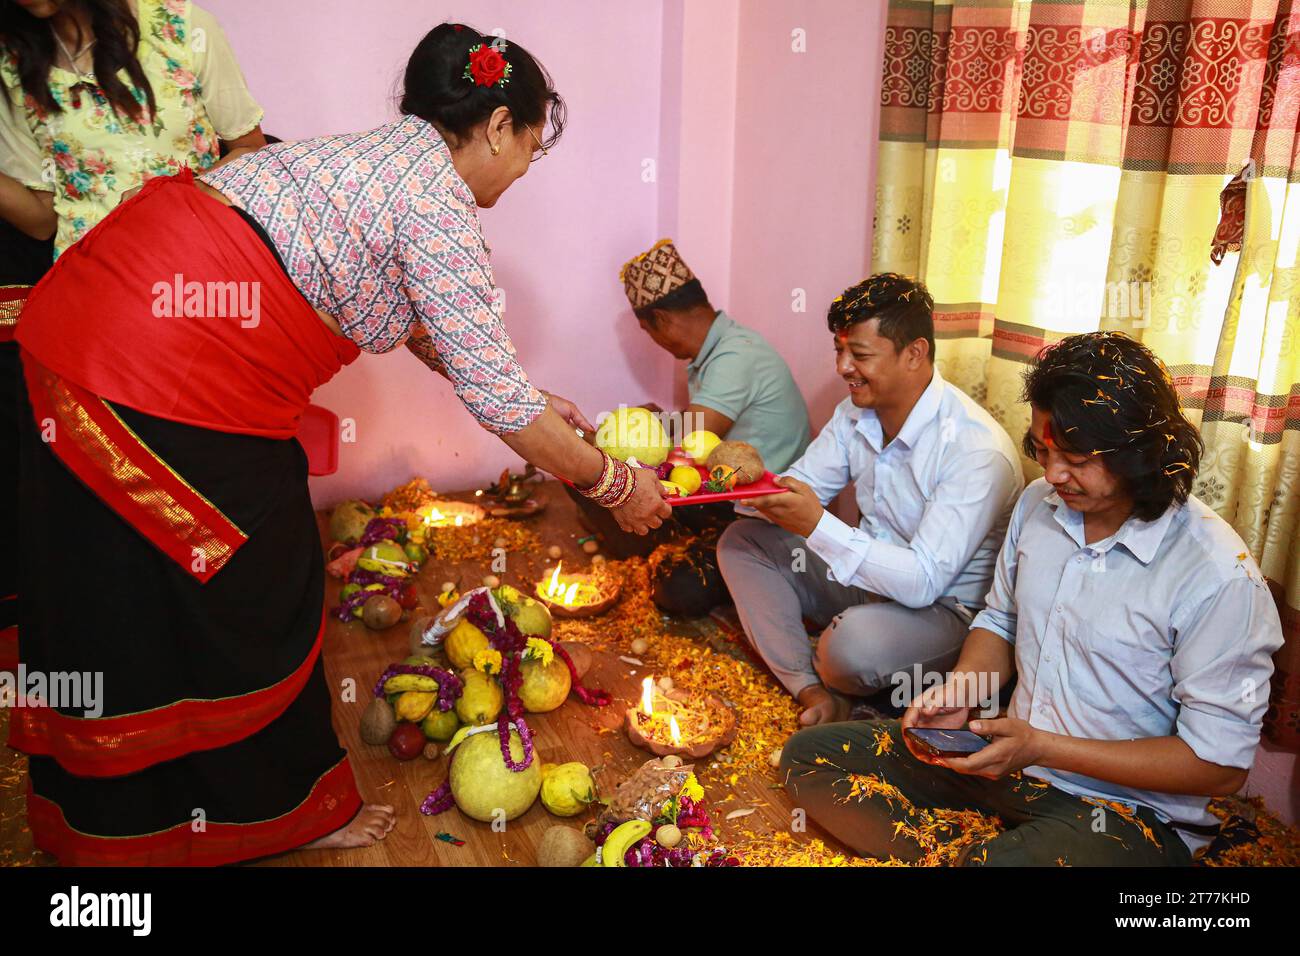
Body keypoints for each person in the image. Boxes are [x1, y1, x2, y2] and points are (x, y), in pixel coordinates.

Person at [10, 22, 670, 866]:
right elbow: (496, 401)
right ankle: (269, 814)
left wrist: (536, 399)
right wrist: (617, 484)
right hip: (147, 362)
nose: (524, 169)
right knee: (261, 581)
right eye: (531, 147)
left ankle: (141, 820)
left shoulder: (384, 159)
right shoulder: (435, 203)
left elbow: (444, 342)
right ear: (500, 125)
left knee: (142, 590)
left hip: (98, 319)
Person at [781, 332, 1285, 866]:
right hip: (1010, 766)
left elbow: (1219, 766)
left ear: (1140, 453)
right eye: (1042, 452)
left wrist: (1044, 746)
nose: (1051, 475)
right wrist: (963, 690)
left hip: (1125, 812)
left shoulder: (1215, 577)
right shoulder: (1038, 507)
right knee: (809, 760)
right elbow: (1000, 620)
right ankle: (975, 854)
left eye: (1074, 459)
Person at [718, 274, 1023, 726]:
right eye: (839, 351)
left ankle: (850, 666)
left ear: (914, 353)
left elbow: (922, 580)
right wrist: (743, 484)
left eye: (859, 354)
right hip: (869, 581)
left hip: (943, 609)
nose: (843, 367)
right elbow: (801, 486)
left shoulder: (974, 450)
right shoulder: (855, 412)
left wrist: (815, 524)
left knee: (851, 648)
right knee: (741, 542)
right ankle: (813, 691)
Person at [0, 0, 267, 255]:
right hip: (92, 274)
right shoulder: (13, 64)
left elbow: (250, 150)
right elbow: (42, 221)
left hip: (194, 255)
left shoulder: (182, 27)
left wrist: (168, 195)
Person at [621, 238, 811, 474]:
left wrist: (622, 436)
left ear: (661, 319)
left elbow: (686, 448)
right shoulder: (727, 346)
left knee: (612, 486)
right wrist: (660, 422)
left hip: (763, 505)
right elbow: (699, 425)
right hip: (741, 493)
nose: (652, 339)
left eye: (647, 330)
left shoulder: (735, 356)